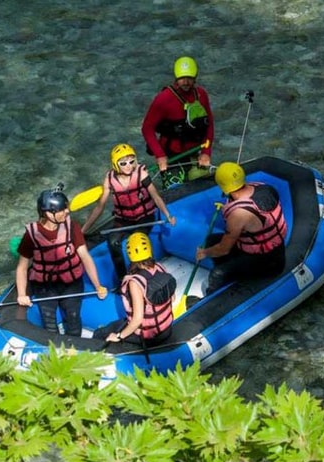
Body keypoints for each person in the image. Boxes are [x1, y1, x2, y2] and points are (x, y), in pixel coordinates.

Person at [15, 187, 108, 336]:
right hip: (44, 287)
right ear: (48, 213)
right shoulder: (31, 235)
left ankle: (75, 350)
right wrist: (21, 294)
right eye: (62, 210)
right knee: (49, 323)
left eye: (66, 208)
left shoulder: (72, 227)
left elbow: (85, 257)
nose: (67, 212)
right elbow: (22, 268)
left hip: (71, 283)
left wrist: (97, 285)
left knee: (73, 319)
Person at [82, 144, 176, 277]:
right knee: (113, 242)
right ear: (115, 164)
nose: (128, 166)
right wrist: (83, 230)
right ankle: (122, 277)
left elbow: (156, 196)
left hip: (144, 217)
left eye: (131, 162)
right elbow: (100, 207)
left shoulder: (141, 173)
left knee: (138, 240)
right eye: (123, 163)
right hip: (123, 220)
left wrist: (168, 215)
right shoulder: (109, 179)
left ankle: (150, 272)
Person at [195, 162, 287, 294]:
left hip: (266, 262)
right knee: (212, 239)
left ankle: (215, 297)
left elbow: (223, 250)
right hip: (275, 249)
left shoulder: (238, 214)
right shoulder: (263, 187)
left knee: (217, 273)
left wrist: (204, 253)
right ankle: (234, 271)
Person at [141, 56, 214, 187]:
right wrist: (160, 156)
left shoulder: (202, 95)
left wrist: (206, 152)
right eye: (182, 78)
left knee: (201, 181)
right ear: (176, 77)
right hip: (170, 155)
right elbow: (147, 129)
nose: (186, 82)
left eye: (190, 78)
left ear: (195, 77)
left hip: (194, 151)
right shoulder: (163, 99)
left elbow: (210, 125)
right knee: (175, 186)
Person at [95, 232, 176, 347]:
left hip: (148, 336)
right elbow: (172, 298)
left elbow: (137, 319)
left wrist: (118, 336)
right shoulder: (160, 268)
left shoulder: (135, 283)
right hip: (166, 329)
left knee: (101, 333)